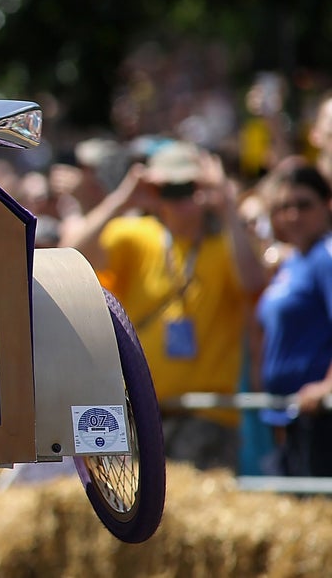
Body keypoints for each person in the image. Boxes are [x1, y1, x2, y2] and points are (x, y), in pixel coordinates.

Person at [58, 140, 267, 471]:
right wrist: (123, 199)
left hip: (207, 414)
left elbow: (254, 283)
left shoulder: (228, 242)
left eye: (188, 186)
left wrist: (227, 203)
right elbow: (68, 258)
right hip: (141, 411)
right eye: (169, 186)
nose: (180, 196)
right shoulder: (135, 235)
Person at [254, 163, 332, 476]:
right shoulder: (293, 260)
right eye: (284, 207)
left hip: (321, 417)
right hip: (289, 416)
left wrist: (327, 386)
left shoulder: (325, 256)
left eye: (304, 205)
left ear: (327, 204)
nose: (293, 216)